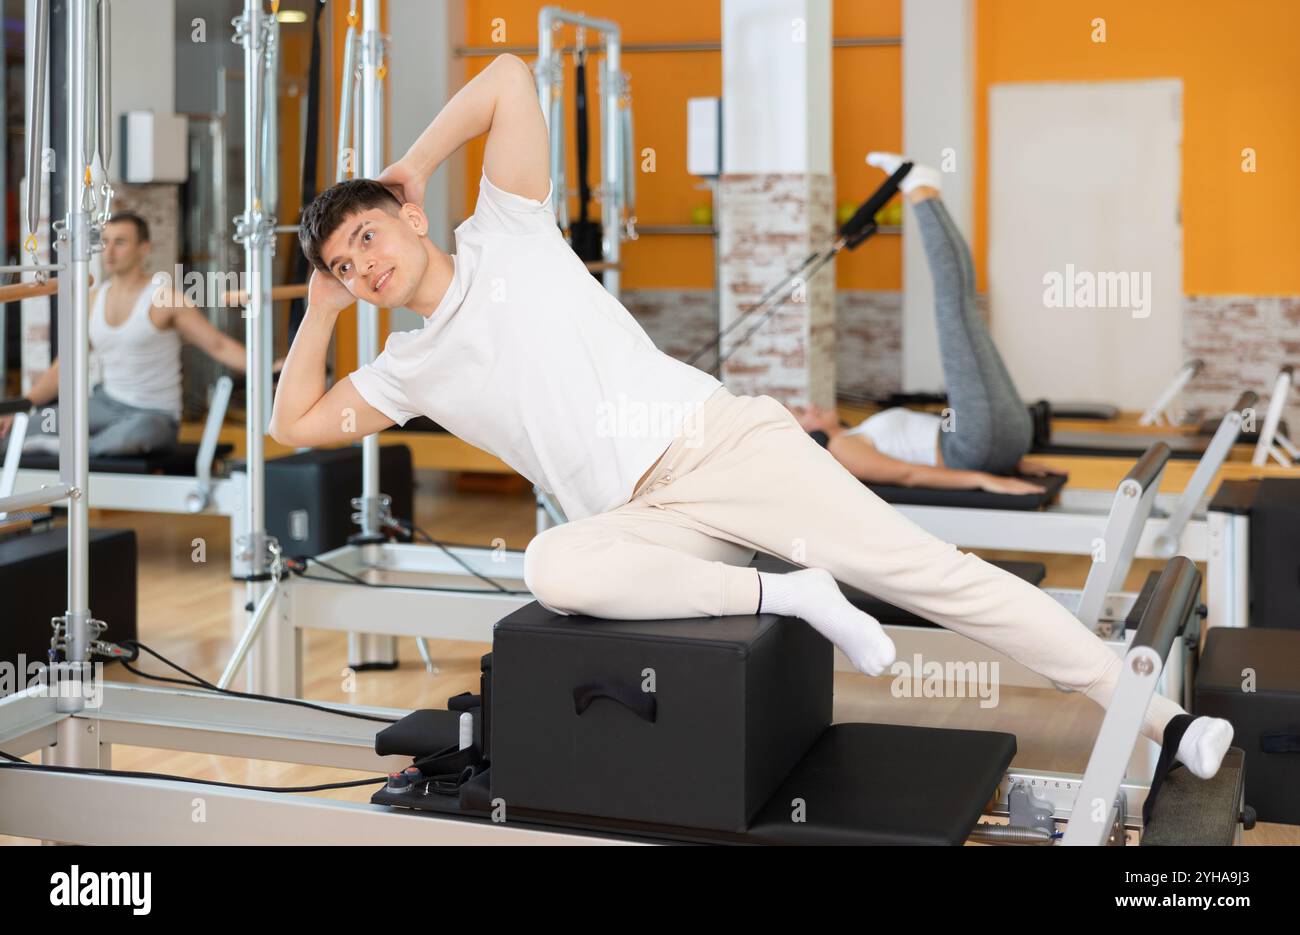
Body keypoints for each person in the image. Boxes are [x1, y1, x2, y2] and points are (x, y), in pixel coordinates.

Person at [271, 53, 1233, 779]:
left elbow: (510, 77)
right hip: (647, 520)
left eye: (368, 236)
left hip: (721, 446)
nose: (366, 265)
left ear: (411, 215)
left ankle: (1165, 723)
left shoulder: (505, 225)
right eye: (348, 267)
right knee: (551, 563)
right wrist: (319, 308)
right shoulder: (404, 368)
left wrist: (411, 160)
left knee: (938, 576)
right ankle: (794, 596)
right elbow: (293, 423)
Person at [792, 154, 1055, 495]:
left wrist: (1013, 463)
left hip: (991, 442)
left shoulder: (858, 433)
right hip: (973, 446)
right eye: (802, 413)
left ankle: (924, 190)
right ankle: (921, 189)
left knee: (961, 302)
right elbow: (908, 475)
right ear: (808, 436)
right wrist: (983, 478)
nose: (812, 406)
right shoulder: (841, 449)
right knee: (954, 304)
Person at [0, 212, 260, 457]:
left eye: (120, 242)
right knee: (19, 428)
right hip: (104, 405)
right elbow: (65, 365)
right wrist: (21, 408)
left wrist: (267, 368)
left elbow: (218, 345)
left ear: (143, 248)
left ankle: (67, 450)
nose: (109, 251)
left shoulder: (164, 298)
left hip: (154, 415)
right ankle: (68, 447)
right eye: (105, 242)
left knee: (131, 436)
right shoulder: (92, 300)